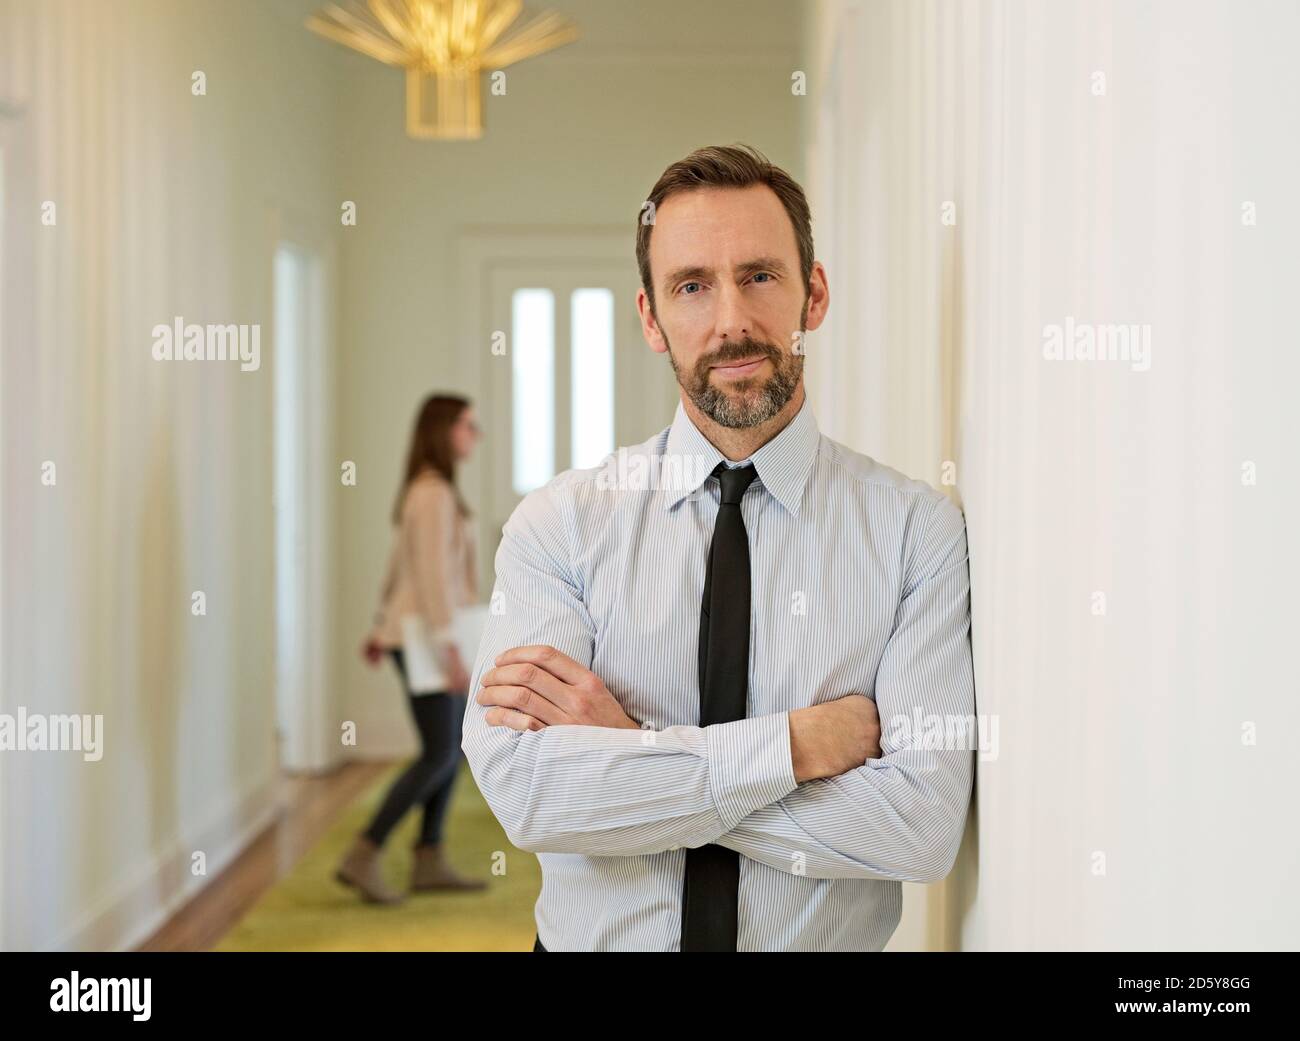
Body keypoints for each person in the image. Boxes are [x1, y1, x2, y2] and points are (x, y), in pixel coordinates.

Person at [462, 145, 976, 951]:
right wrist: (796, 746)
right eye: (692, 286)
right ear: (650, 316)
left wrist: (633, 752)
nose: (731, 319)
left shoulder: (914, 532)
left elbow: (919, 829)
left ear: (815, 292)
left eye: (761, 276)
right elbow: (529, 795)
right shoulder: (558, 525)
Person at [336, 394, 486, 904]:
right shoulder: (432, 493)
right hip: (427, 638)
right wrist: (450, 652)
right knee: (441, 752)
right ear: (443, 430)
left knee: (450, 750)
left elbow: (399, 567)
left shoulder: (433, 490)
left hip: (418, 634)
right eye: (467, 425)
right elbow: (428, 577)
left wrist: (380, 626)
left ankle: (429, 857)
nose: (474, 434)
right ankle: (364, 852)